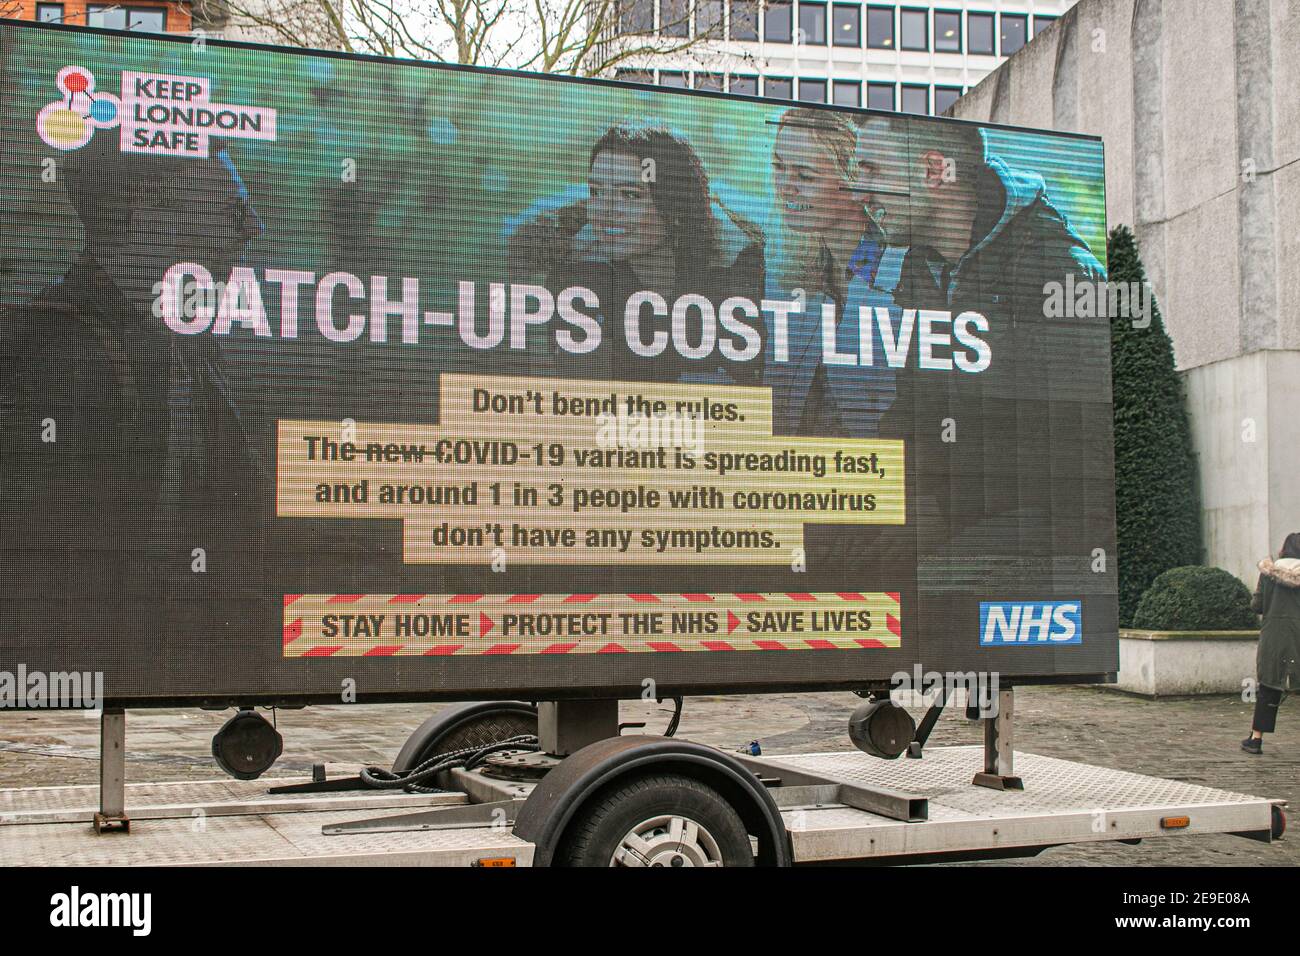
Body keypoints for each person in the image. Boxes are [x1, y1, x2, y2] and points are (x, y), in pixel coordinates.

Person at [0, 136, 268, 653]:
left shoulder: (188, 358)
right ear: (139, 215)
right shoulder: (32, 354)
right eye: (228, 210)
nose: (249, 231)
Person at [506, 121, 766, 385]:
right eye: (596, 192)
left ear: (674, 204)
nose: (605, 211)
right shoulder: (576, 259)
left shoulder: (737, 262)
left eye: (630, 195)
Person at [764, 107, 902, 438]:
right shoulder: (784, 270)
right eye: (779, 168)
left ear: (854, 184)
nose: (786, 187)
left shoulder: (902, 273)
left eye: (805, 176)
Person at [1243, 532, 1300, 753]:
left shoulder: (1268, 574)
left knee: (1269, 686)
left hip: (1274, 636)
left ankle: (1256, 739)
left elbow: (1257, 605)